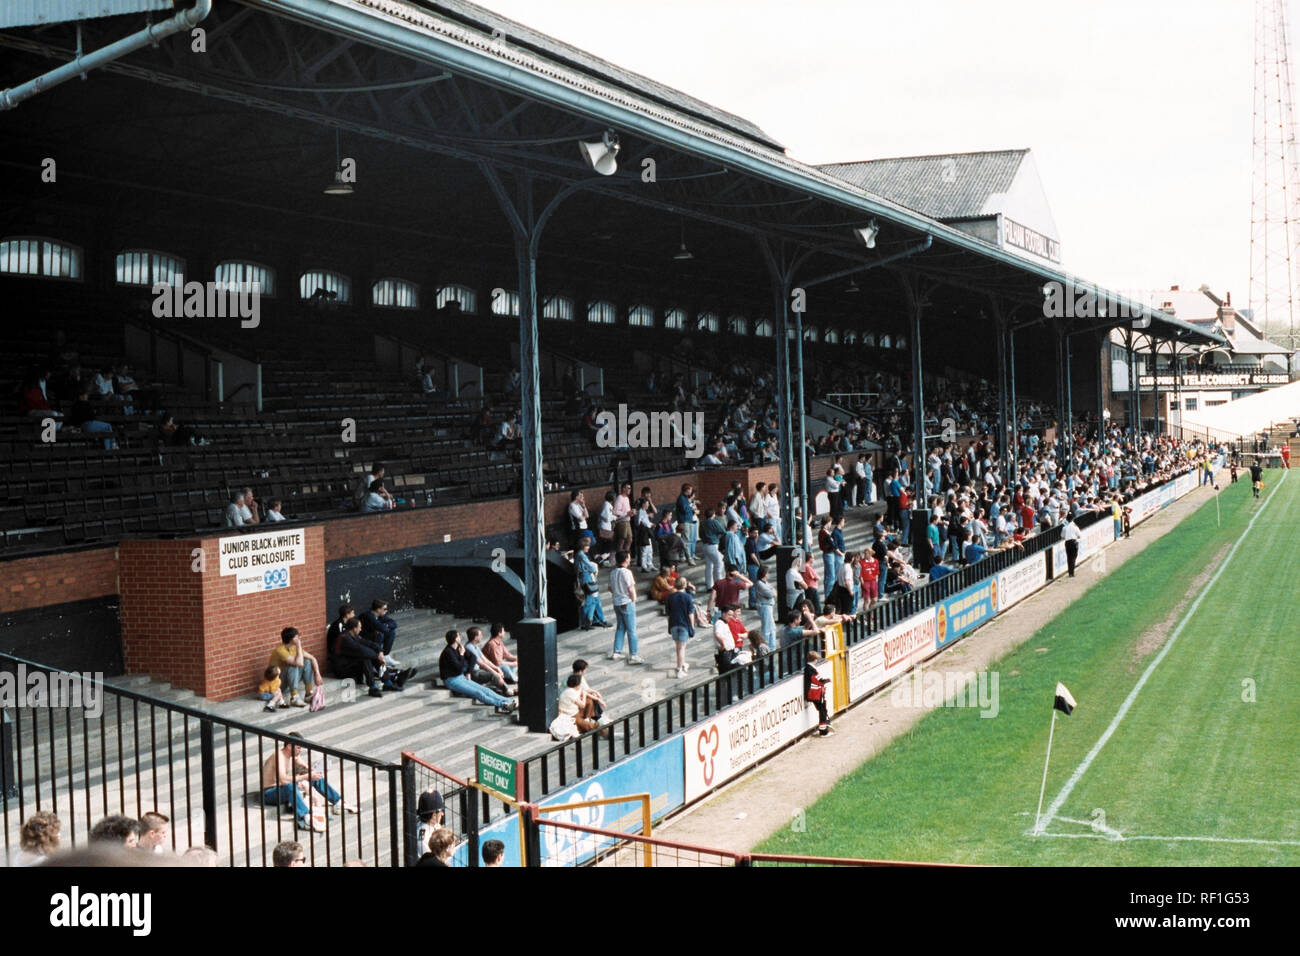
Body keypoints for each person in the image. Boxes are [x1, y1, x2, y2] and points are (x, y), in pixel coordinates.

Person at [261, 733, 353, 832]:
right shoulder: (279, 756)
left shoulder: (293, 754)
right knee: (291, 785)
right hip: (270, 793)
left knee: (314, 777)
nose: (300, 750)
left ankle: (337, 801)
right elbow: (283, 780)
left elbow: (305, 768)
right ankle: (305, 817)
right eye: (298, 748)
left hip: (284, 788)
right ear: (289, 746)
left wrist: (313, 773)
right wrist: (305, 777)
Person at [438, 630, 517, 713]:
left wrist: (468, 672)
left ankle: (508, 700)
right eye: (458, 636)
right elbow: (458, 667)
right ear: (455, 639)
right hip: (451, 680)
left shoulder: (459, 647)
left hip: (461, 677)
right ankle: (503, 704)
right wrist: (461, 655)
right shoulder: (448, 652)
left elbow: (473, 657)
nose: (460, 637)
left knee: (485, 690)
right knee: (478, 693)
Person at [608, 550, 643, 664]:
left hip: (616, 602)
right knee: (632, 630)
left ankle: (616, 651)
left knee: (620, 627)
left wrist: (617, 594)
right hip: (626, 602)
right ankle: (633, 654)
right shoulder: (626, 572)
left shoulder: (613, 572)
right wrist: (633, 599)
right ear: (625, 559)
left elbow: (610, 588)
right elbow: (630, 588)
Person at [268, 627, 316, 708]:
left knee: (307, 662)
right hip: (279, 685)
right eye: (296, 637)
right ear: (291, 639)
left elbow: (312, 658)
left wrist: (317, 674)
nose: (298, 639)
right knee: (292, 665)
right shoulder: (280, 650)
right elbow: (299, 663)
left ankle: (308, 694)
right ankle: (294, 697)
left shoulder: (294, 648)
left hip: (290, 681)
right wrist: (299, 645)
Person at [574, 537, 610, 629]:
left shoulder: (580, 555)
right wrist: (595, 566)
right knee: (590, 600)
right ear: (582, 546)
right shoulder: (581, 555)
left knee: (595, 599)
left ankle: (596, 620)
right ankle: (588, 621)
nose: (588, 547)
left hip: (587, 578)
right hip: (587, 579)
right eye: (586, 546)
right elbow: (590, 567)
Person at [666, 577, 696, 679]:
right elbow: (690, 613)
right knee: (681, 648)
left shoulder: (670, 597)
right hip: (684, 624)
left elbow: (668, 614)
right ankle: (679, 669)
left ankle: (682, 664)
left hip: (674, 623)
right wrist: (692, 626)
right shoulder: (688, 597)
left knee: (678, 647)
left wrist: (669, 625)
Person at [361, 599, 401, 664]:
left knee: (392, 632)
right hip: (365, 638)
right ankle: (378, 657)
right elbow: (381, 628)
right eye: (384, 609)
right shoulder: (368, 615)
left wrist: (386, 625)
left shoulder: (380, 615)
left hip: (374, 636)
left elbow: (394, 623)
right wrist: (383, 627)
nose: (386, 610)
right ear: (378, 609)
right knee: (380, 634)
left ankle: (386, 655)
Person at [805, 650, 832, 736]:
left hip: (815, 694)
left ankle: (824, 726)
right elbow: (818, 680)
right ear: (814, 659)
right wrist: (826, 680)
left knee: (822, 709)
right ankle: (823, 731)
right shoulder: (811, 669)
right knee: (822, 709)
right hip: (814, 694)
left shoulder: (809, 668)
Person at [752, 565, 777, 650]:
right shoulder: (759, 583)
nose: (768, 574)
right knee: (766, 629)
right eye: (767, 573)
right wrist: (773, 592)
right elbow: (771, 594)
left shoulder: (766, 583)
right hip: (764, 606)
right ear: (764, 574)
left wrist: (773, 592)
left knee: (772, 628)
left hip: (769, 606)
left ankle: (772, 647)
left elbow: (774, 591)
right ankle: (765, 647)